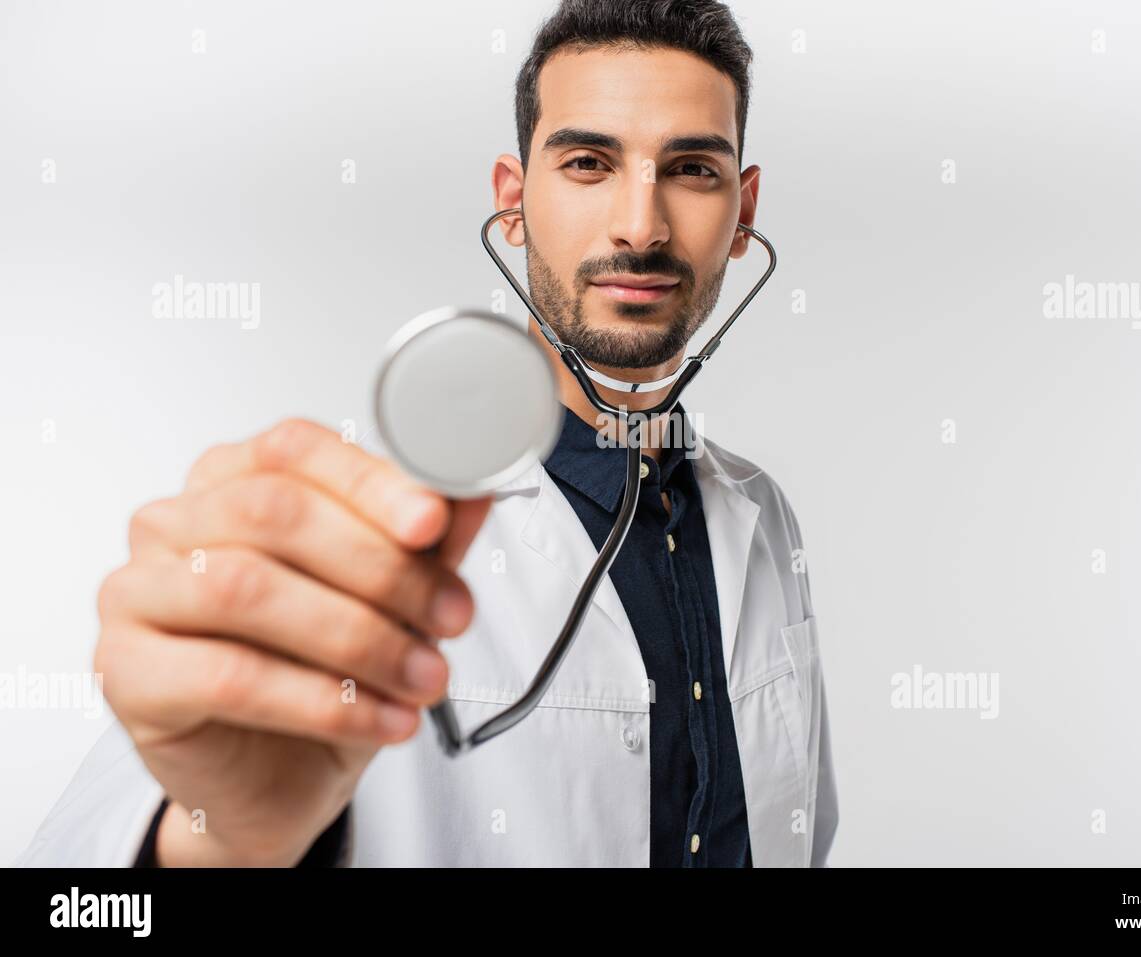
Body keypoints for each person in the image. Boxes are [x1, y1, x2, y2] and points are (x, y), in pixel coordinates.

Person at [18, 0, 837, 868]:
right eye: (590, 162)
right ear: (513, 203)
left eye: (692, 169)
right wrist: (223, 836)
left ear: (744, 211)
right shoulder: (352, 543)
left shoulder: (764, 519)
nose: (641, 224)